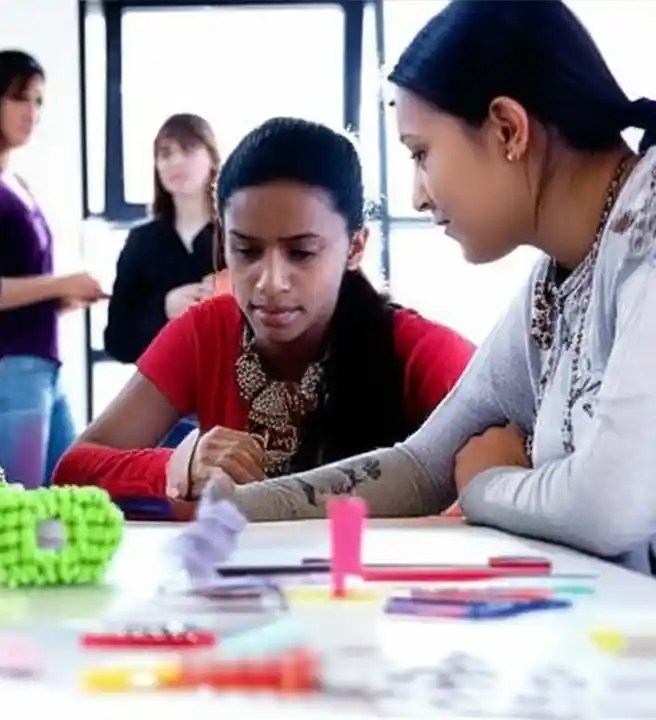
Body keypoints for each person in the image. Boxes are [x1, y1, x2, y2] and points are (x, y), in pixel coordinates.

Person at [194, 1, 656, 570]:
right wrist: (240, 508)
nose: (418, 195)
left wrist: (486, 484)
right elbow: (422, 466)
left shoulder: (647, 228)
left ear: (507, 129)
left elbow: (609, 507)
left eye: (421, 154)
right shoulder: (553, 283)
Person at [51, 117, 476, 520]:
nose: (270, 282)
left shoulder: (417, 350)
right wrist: (182, 465)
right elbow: (74, 470)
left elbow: (500, 483)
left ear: (355, 247)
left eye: (301, 253)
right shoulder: (206, 331)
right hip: (233, 573)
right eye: (247, 251)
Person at [0, 50, 108, 488]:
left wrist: (61, 299)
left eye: (39, 101)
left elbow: (19, 291)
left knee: (68, 491)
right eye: (21, 98)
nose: (32, 112)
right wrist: (60, 283)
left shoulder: (16, 184)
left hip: (42, 365)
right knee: (20, 500)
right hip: (12, 367)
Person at [104, 113, 220, 365]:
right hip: (164, 385)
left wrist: (226, 293)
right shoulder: (141, 243)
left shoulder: (238, 237)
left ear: (212, 158)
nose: (176, 161)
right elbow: (116, 341)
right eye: (165, 154)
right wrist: (164, 309)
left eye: (188, 149)